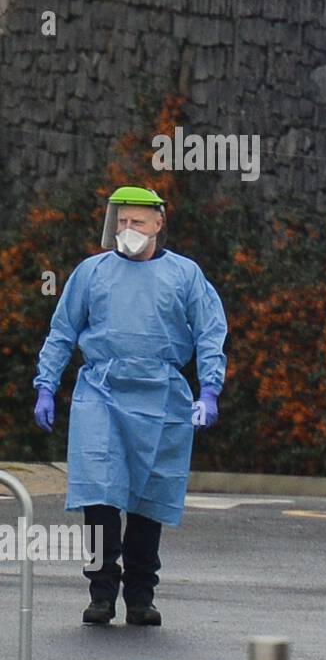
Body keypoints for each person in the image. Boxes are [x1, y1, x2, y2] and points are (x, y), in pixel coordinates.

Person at [33, 186, 228, 626]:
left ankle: (141, 596)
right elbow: (63, 331)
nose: (129, 230)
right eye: (122, 221)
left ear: (159, 223)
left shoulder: (185, 275)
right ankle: (101, 590)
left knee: (147, 499)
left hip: (161, 397)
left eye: (138, 222)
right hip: (100, 392)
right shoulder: (92, 273)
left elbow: (209, 331)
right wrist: (46, 384)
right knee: (99, 494)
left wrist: (209, 389)